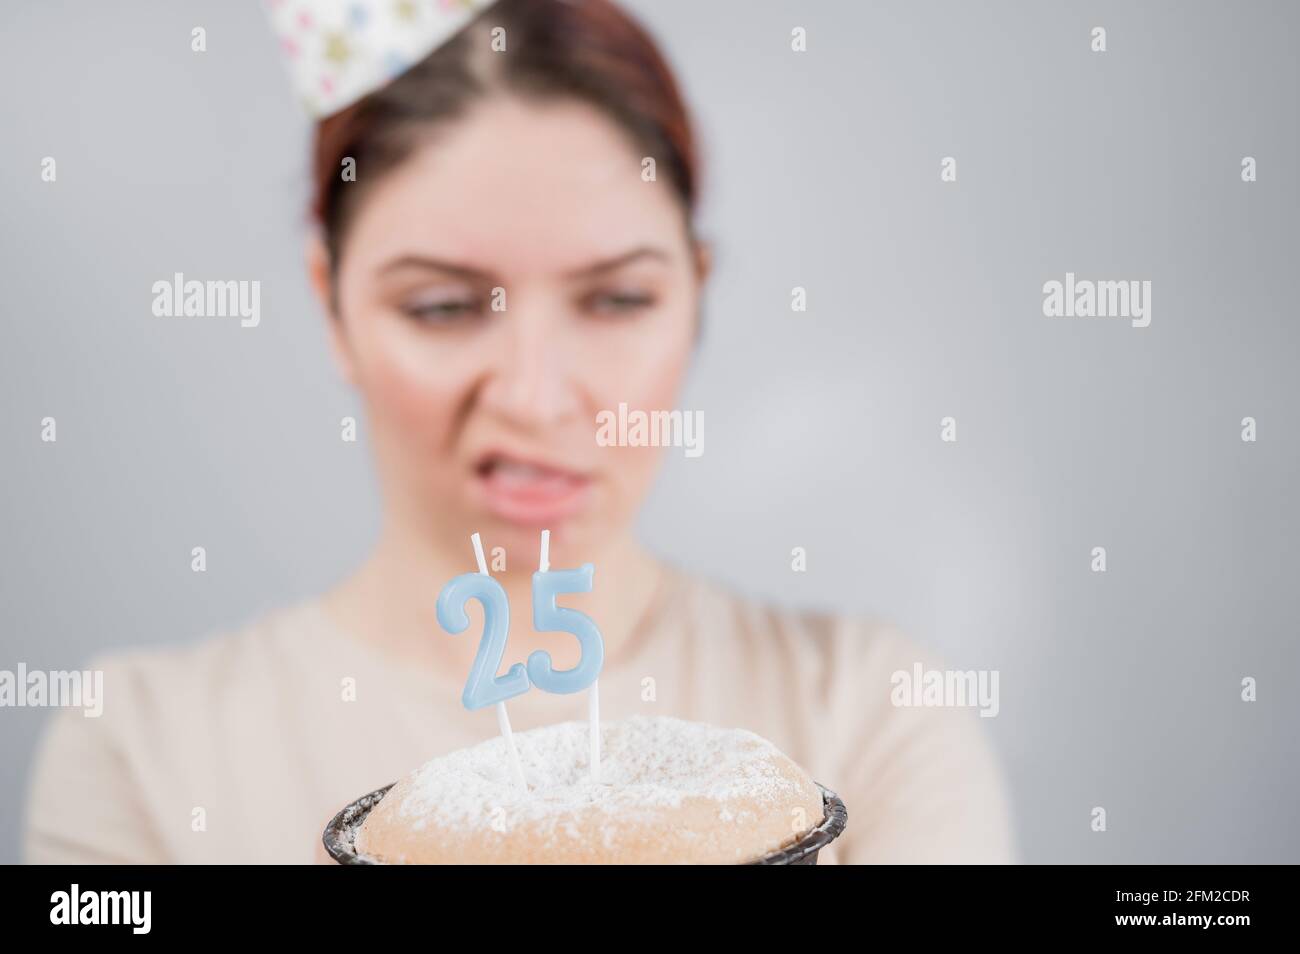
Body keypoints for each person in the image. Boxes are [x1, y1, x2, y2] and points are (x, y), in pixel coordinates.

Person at [24, 0, 1014, 864]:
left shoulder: (871, 710)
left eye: (619, 299)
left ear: (696, 296)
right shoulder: (142, 748)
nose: (537, 398)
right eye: (445, 308)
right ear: (333, 309)